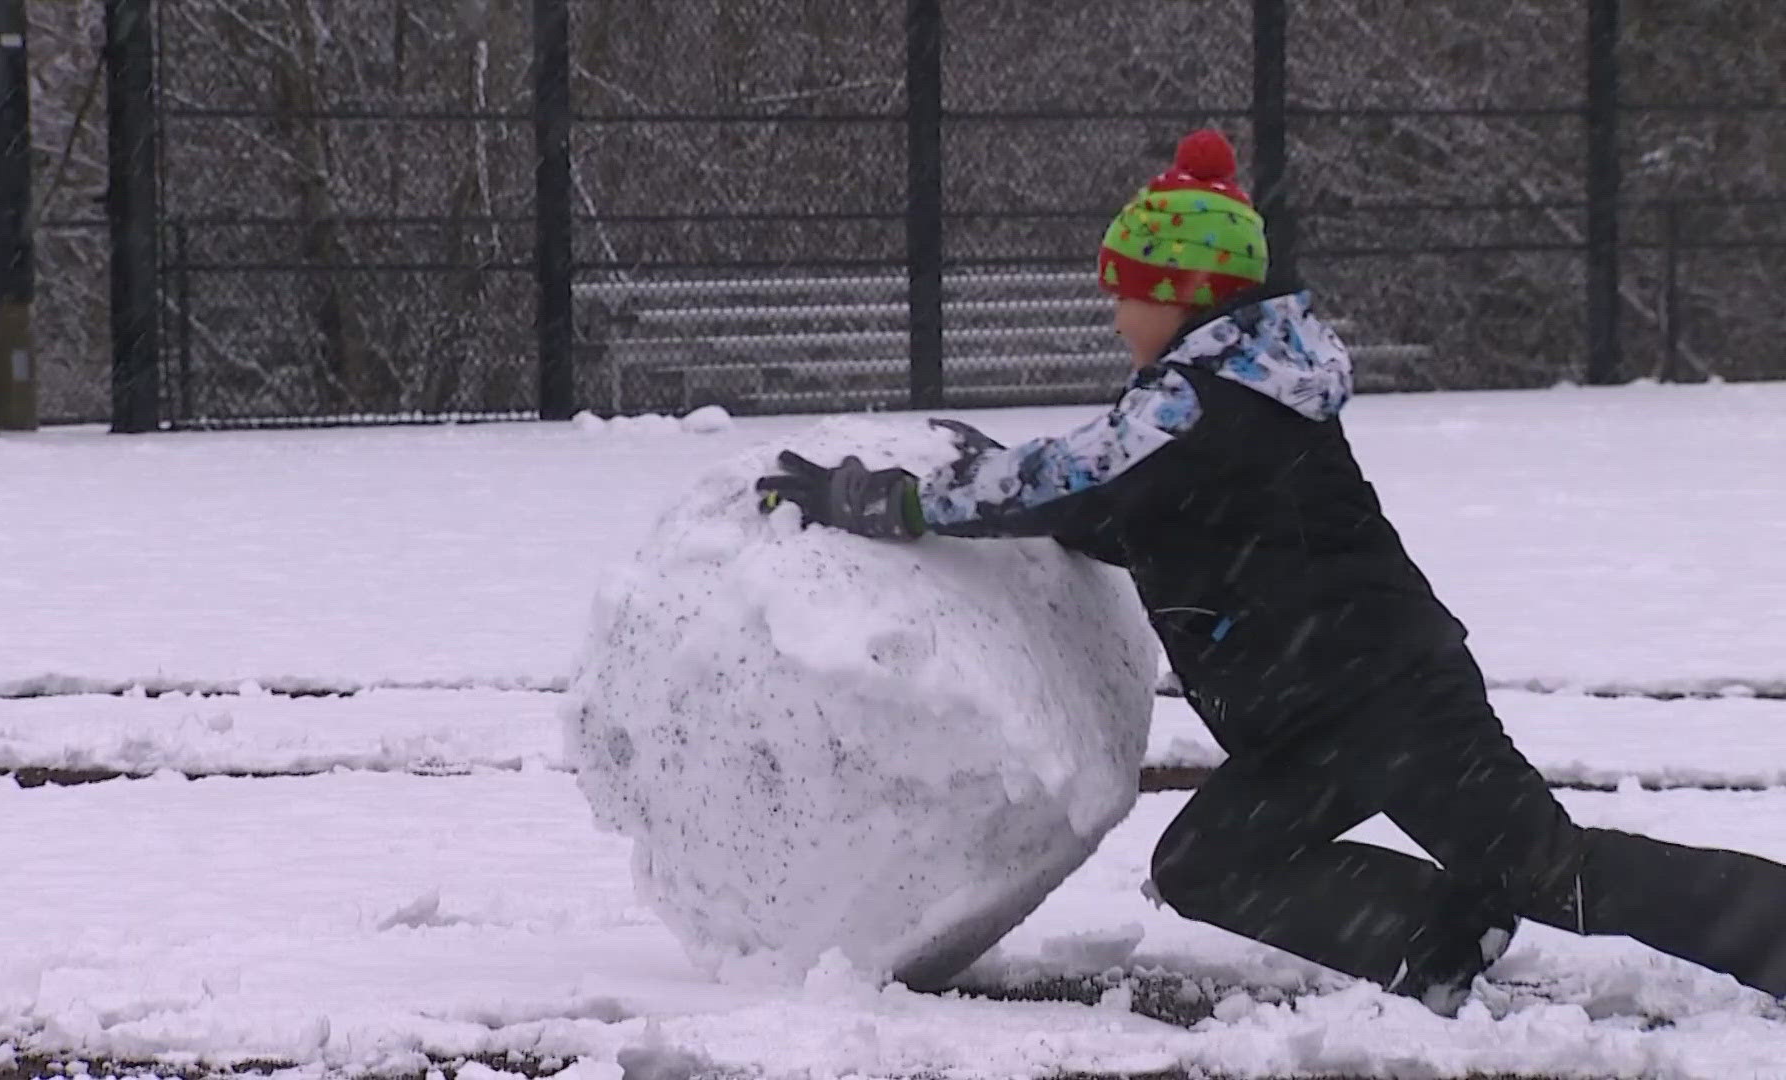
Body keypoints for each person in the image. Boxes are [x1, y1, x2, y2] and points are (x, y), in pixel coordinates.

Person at [755, 128, 1786, 1016]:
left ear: (1185, 294)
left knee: (1550, 872)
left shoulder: (1195, 403)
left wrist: (882, 499)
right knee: (1207, 862)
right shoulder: (1231, 395)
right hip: (1316, 716)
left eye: (1129, 294)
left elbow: (1054, 479)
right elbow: (1150, 512)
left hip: (1388, 700)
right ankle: (1438, 937)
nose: (1116, 316)